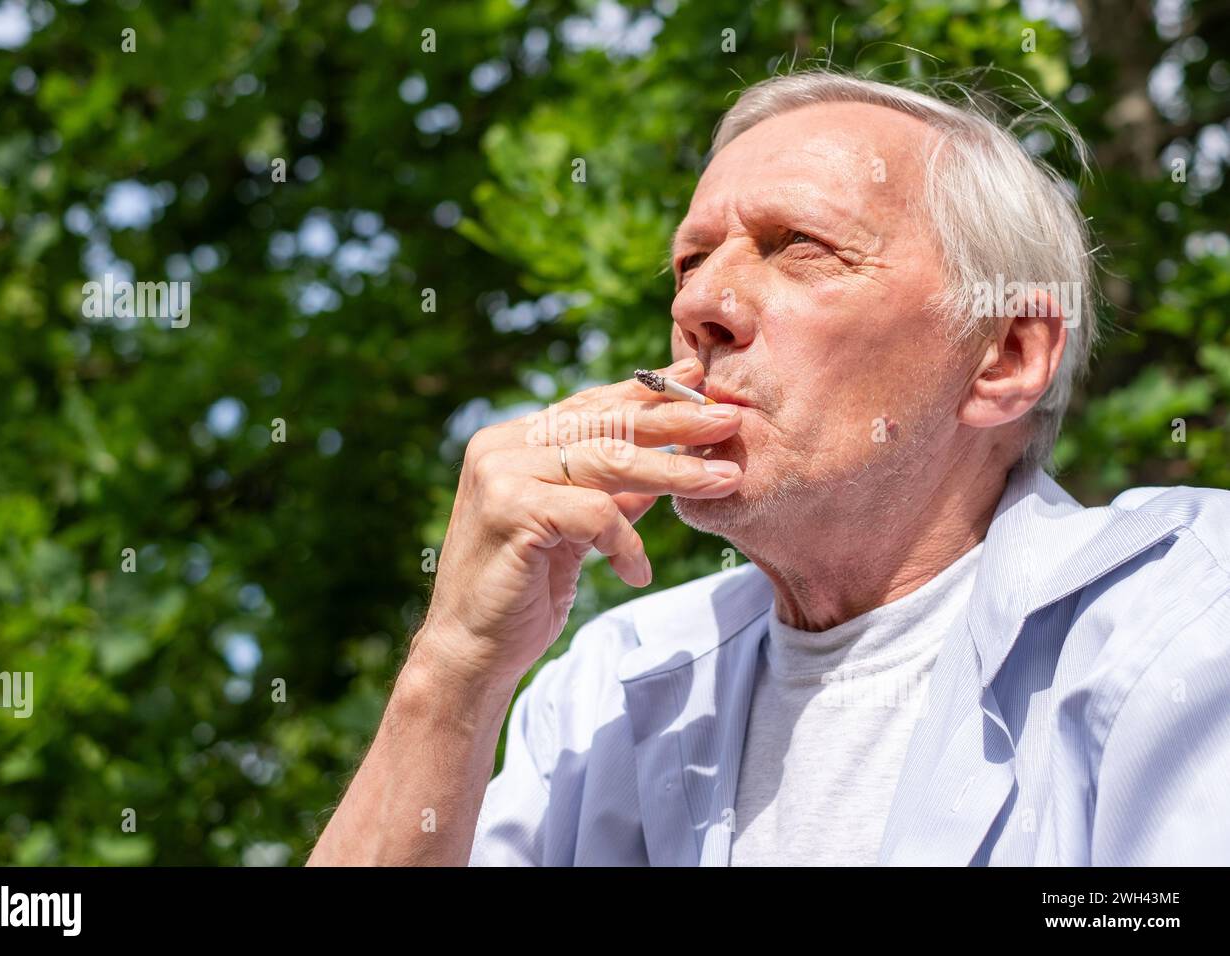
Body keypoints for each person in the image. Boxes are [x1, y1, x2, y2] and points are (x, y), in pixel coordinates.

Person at [308, 70, 1230, 866]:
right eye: (690, 260)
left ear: (1005, 357)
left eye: (800, 248)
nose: (701, 304)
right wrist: (457, 664)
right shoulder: (612, 687)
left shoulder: (1181, 608)